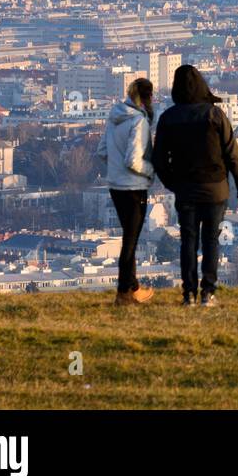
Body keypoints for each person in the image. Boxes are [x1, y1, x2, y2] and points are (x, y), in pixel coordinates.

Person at [153, 65, 238, 307]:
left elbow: (159, 159)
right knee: (211, 240)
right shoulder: (214, 115)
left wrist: (173, 183)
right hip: (215, 188)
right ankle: (208, 292)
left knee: (188, 240)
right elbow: (232, 153)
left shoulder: (169, 118)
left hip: (186, 188)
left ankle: (189, 294)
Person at [96, 78, 157, 306]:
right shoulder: (139, 121)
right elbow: (134, 160)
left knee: (129, 238)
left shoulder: (114, 116)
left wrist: (115, 169)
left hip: (115, 186)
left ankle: (134, 288)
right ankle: (123, 292)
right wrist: (150, 171)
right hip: (134, 187)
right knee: (130, 242)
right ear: (147, 98)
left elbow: (102, 151)